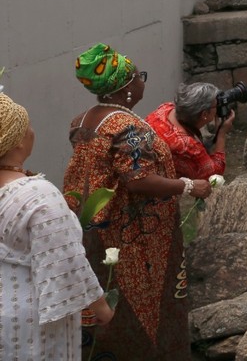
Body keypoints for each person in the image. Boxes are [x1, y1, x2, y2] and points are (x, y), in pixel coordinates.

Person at [63, 43, 212, 360]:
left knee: (106, 292)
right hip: (138, 237)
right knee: (149, 302)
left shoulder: (83, 120)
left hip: (93, 226)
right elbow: (139, 180)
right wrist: (187, 186)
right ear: (126, 87)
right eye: (139, 76)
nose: (143, 81)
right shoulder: (128, 128)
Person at [0, 92, 114, 360]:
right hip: (30, 319)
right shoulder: (38, 194)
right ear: (17, 142)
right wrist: (101, 308)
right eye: (27, 126)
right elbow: (66, 259)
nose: (32, 132)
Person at [146, 82, 234, 180]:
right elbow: (214, 173)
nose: (217, 107)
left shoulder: (165, 108)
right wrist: (221, 134)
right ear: (204, 114)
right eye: (215, 106)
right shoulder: (186, 145)